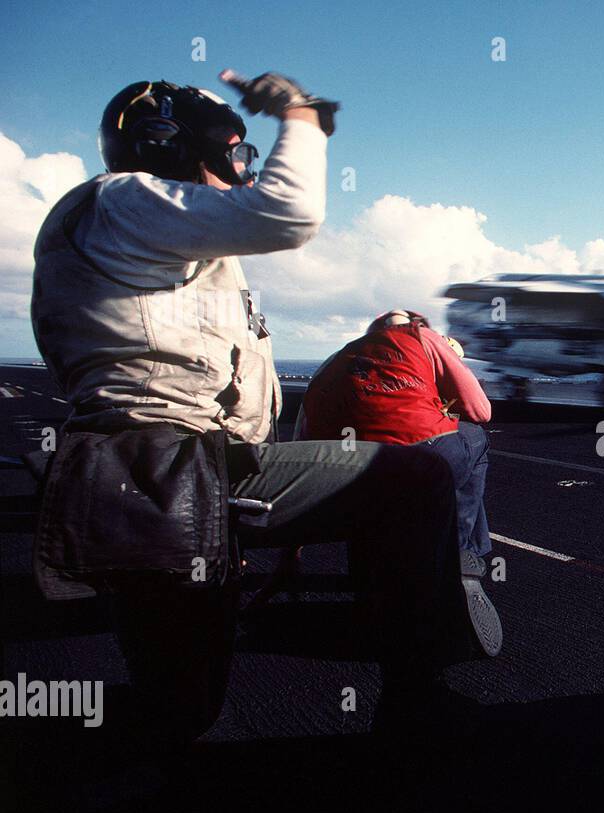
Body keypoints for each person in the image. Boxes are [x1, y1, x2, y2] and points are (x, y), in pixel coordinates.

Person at [30, 73, 492, 745]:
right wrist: (300, 117)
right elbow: (289, 214)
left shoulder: (146, 240)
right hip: (170, 470)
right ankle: (416, 703)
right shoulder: (125, 199)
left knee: (182, 707)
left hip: (179, 476)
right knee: (415, 479)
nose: (241, 173)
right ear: (173, 150)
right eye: (233, 155)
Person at [298, 310, 500, 651]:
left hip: (343, 475)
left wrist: (292, 552)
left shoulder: (333, 361)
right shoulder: (421, 337)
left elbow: (300, 445)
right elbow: (481, 410)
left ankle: (368, 594)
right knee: (475, 438)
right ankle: (463, 555)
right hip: (424, 455)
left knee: (369, 504)